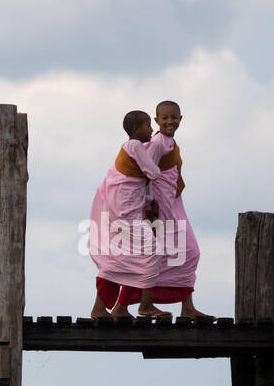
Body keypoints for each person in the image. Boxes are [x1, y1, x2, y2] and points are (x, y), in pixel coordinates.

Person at [105, 101, 213, 319]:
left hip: (172, 202)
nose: (169, 122)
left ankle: (187, 307)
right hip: (159, 207)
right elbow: (146, 176)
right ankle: (123, 306)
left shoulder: (170, 141)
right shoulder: (156, 143)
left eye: (174, 117)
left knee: (188, 253)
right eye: (164, 118)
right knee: (161, 255)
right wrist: (149, 206)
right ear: (156, 121)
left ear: (181, 119)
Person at [87, 110, 167, 319]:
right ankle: (145, 305)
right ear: (135, 129)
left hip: (124, 211)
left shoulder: (130, 147)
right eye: (148, 125)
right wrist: (155, 151)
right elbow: (154, 173)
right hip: (126, 213)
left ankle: (101, 309)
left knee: (120, 258)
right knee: (154, 250)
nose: (151, 129)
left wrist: (150, 201)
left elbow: (142, 180)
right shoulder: (134, 145)